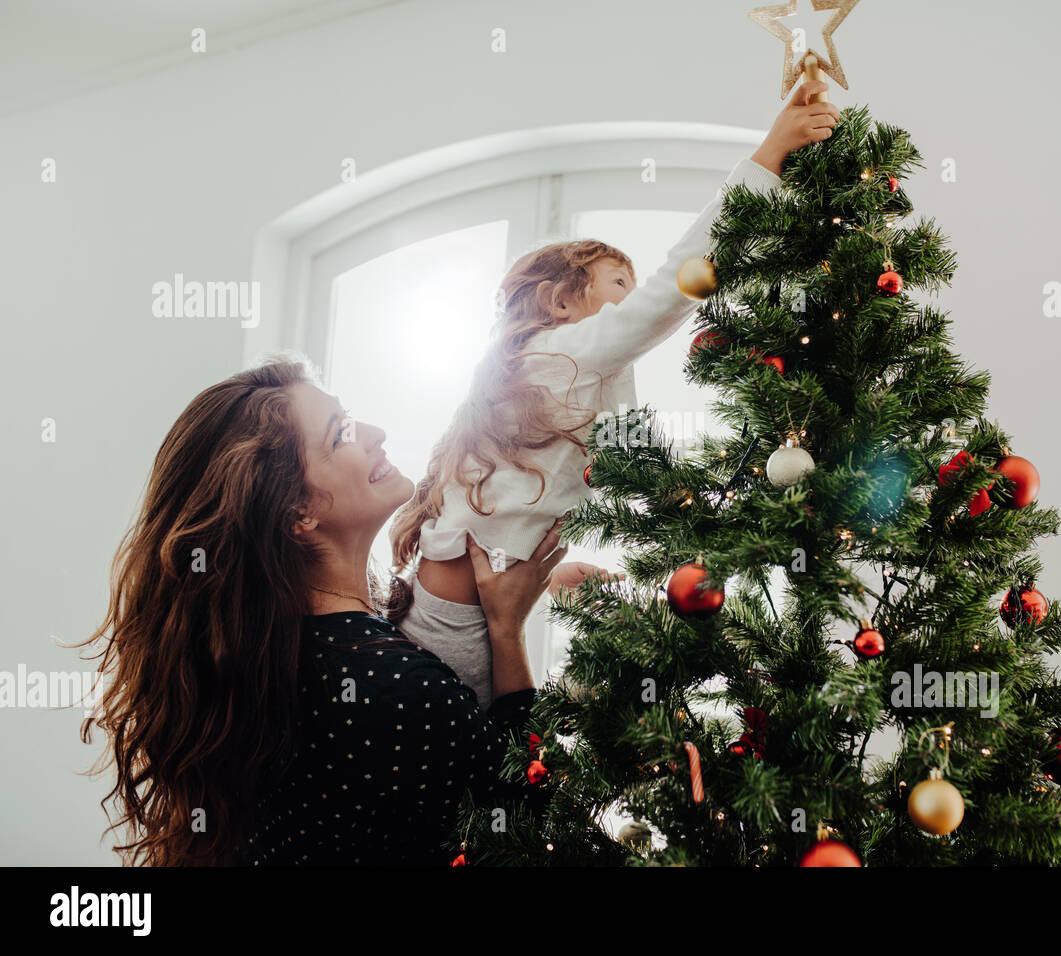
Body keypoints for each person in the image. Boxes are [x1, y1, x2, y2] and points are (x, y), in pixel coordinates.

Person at [387, 80, 842, 705]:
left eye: (629, 282)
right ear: (561, 299)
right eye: (617, 281)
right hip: (449, 632)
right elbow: (672, 288)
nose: (630, 297)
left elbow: (504, 509)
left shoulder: (549, 374)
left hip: (448, 617)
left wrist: (554, 584)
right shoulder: (554, 350)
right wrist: (765, 161)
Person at [79, 359, 582, 865]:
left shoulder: (281, 658)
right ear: (299, 511)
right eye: (340, 434)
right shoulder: (393, 686)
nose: (374, 433)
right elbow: (536, 822)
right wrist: (507, 631)